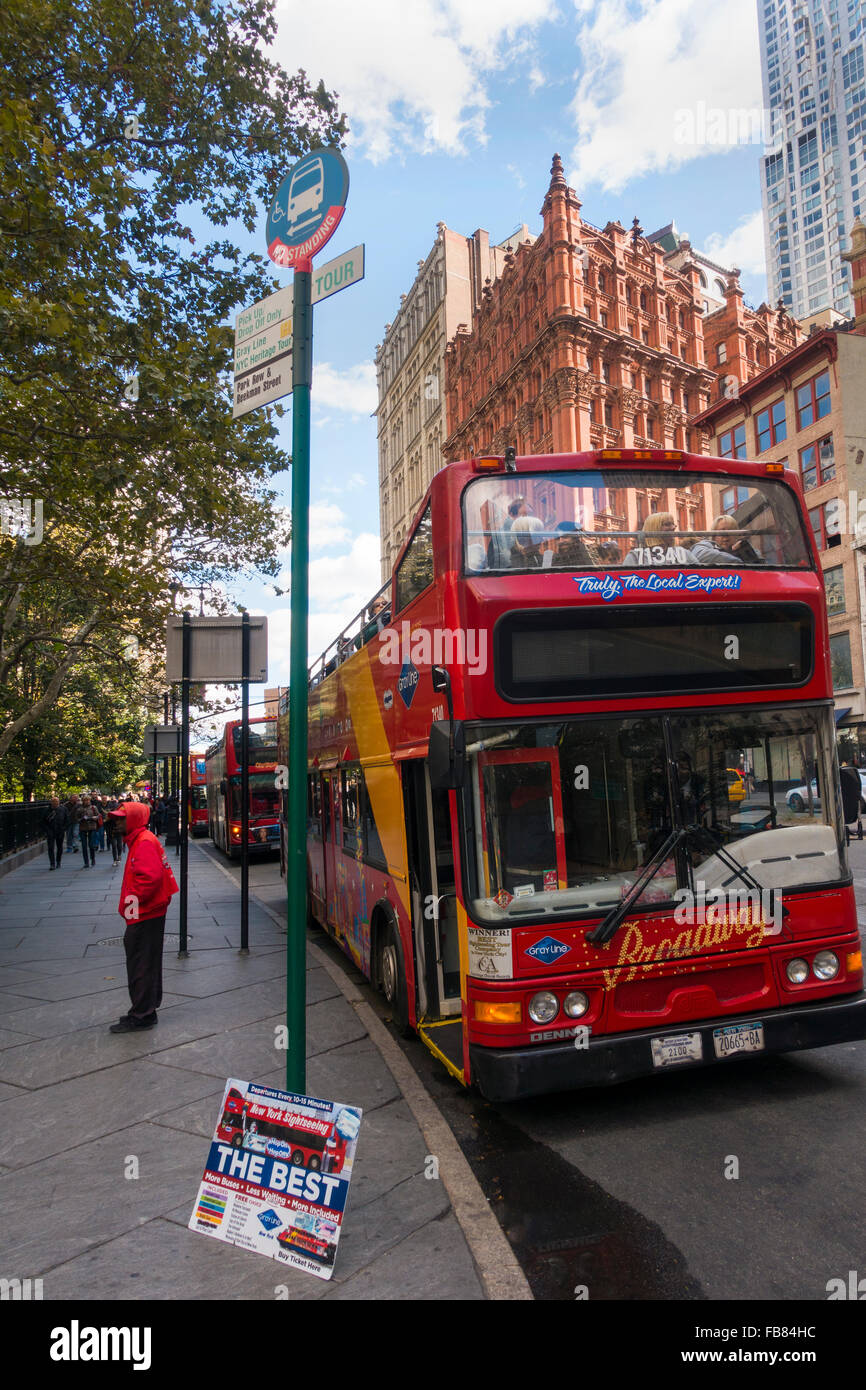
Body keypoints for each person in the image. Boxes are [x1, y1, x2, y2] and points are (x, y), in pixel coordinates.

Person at [107, 802, 178, 1033]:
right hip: (147, 912)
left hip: (145, 914)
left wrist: (130, 906)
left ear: (134, 819)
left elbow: (149, 880)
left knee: (141, 964)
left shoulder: (144, 841)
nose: (116, 822)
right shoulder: (142, 839)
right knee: (145, 963)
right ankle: (144, 1010)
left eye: (120, 818)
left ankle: (142, 1015)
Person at [624, 512, 697, 567]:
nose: (673, 527)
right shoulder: (636, 556)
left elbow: (701, 576)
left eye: (673, 524)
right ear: (654, 528)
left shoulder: (683, 553)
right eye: (667, 524)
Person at [41, 797, 68, 870]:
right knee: (50, 847)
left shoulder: (63, 809)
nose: (55, 803)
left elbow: (66, 819)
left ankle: (58, 861)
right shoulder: (47, 810)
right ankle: (52, 863)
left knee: (59, 847)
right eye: (53, 802)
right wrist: (47, 830)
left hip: (60, 830)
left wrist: (64, 828)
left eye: (57, 802)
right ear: (51, 802)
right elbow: (43, 821)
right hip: (50, 830)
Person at [77, 796, 99, 869]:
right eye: (85, 800)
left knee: (91, 845)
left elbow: (98, 815)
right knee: (84, 846)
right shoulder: (79, 809)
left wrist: (94, 818)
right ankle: (86, 862)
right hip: (83, 828)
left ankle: (93, 859)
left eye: (88, 800)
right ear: (83, 801)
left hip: (92, 827)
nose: (87, 802)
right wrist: (81, 819)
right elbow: (76, 819)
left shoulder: (93, 807)